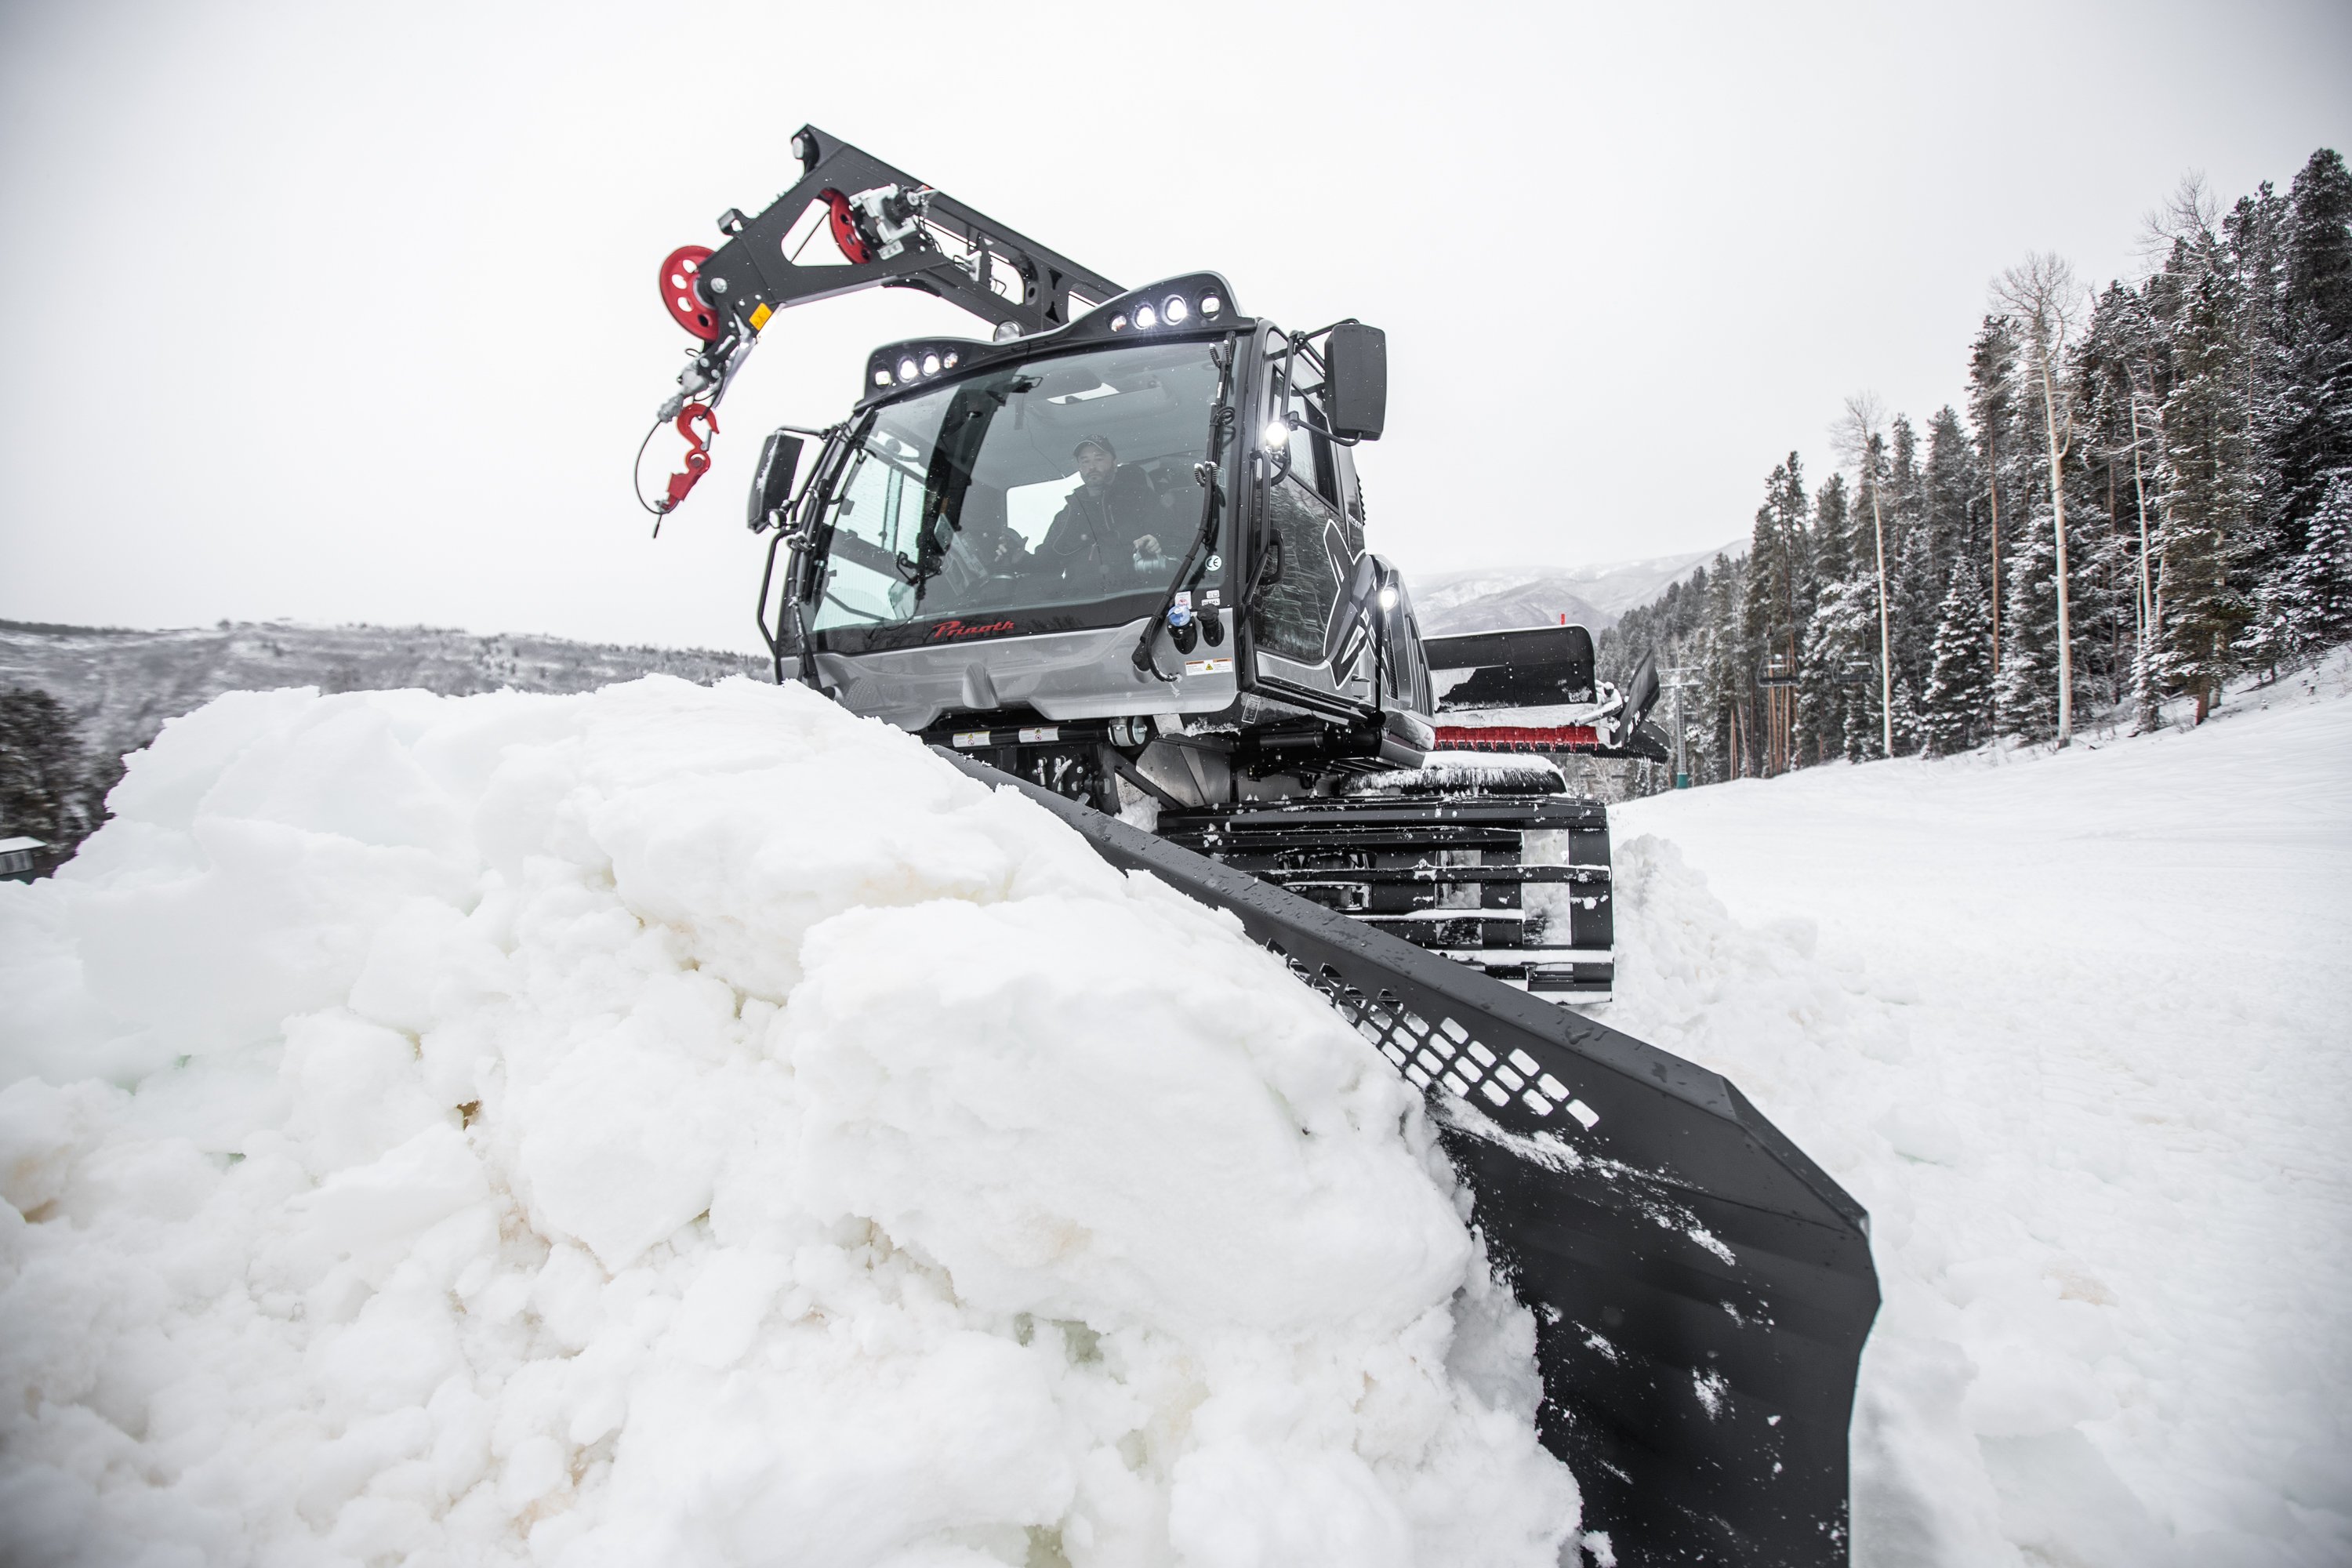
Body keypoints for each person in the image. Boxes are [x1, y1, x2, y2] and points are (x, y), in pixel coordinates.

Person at [1037, 435, 1165, 586]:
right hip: (1081, 598)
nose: (1092, 467)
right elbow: (1047, 562)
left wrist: (1156, 543)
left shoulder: (1141, 497)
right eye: (1085, 461)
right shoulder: (1069, 512)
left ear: (1115, 463)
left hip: (1139, 593)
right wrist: (1019, 559)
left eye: (1098, 459)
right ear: (1080, 468)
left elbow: (1171, 538)